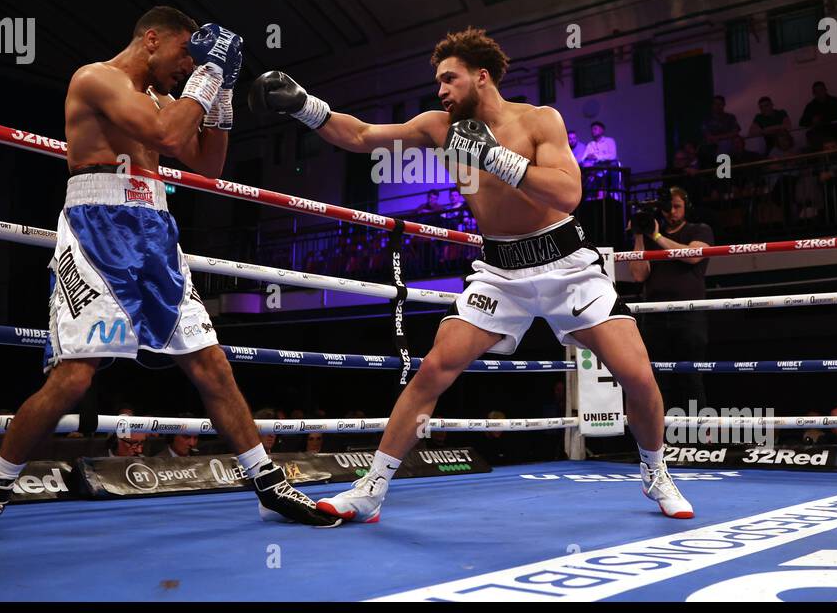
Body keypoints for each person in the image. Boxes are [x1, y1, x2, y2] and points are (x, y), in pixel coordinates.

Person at [251, 26, 692, 521]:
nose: (440, 90)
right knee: (433, 370)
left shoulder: (538, 120)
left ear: (481, 77)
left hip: (568, 267)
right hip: (500, 271)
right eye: (438, 82)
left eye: (449, 79)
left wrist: (494, 157)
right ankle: (372, 487)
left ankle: (656, 473)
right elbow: (360, 135)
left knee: (637, 375)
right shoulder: (439, 127)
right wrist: (303, 105)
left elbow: (568, 194)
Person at [0, 6, 337, 543]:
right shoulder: (96, 78)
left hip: (155, 227)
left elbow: (206, 165)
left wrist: (219, 94)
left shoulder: (164, 99)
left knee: (212, 365)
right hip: (97, 227)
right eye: (185, 55)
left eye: (195, 63)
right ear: (151, 39)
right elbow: (169, 136)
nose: (188, 67)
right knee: (74, 378)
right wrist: (209, 73)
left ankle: (270, 485)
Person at [626, 187, 713, 412]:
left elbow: (693, 256)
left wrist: (656, 236)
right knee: (657, 379)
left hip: (688, 316)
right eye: (668, 207)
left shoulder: (700, 230)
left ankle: (699, 437)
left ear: (687, 208)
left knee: (690, 377)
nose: (672, 212)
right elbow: (638, 275)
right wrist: (639, 236)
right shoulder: (650, 238)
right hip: (655, 317)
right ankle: (659, 439)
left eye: (677, 207)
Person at [799, 81, 837, 148]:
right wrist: (812, 120)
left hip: (835, 131)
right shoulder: (811, 106)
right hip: (819, 134)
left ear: (825, 90)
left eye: (821, 90)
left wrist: (820, 119)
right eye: (816, 91)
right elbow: (802, 122)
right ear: (814, 93)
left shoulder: (835, 101)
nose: (819, 93)